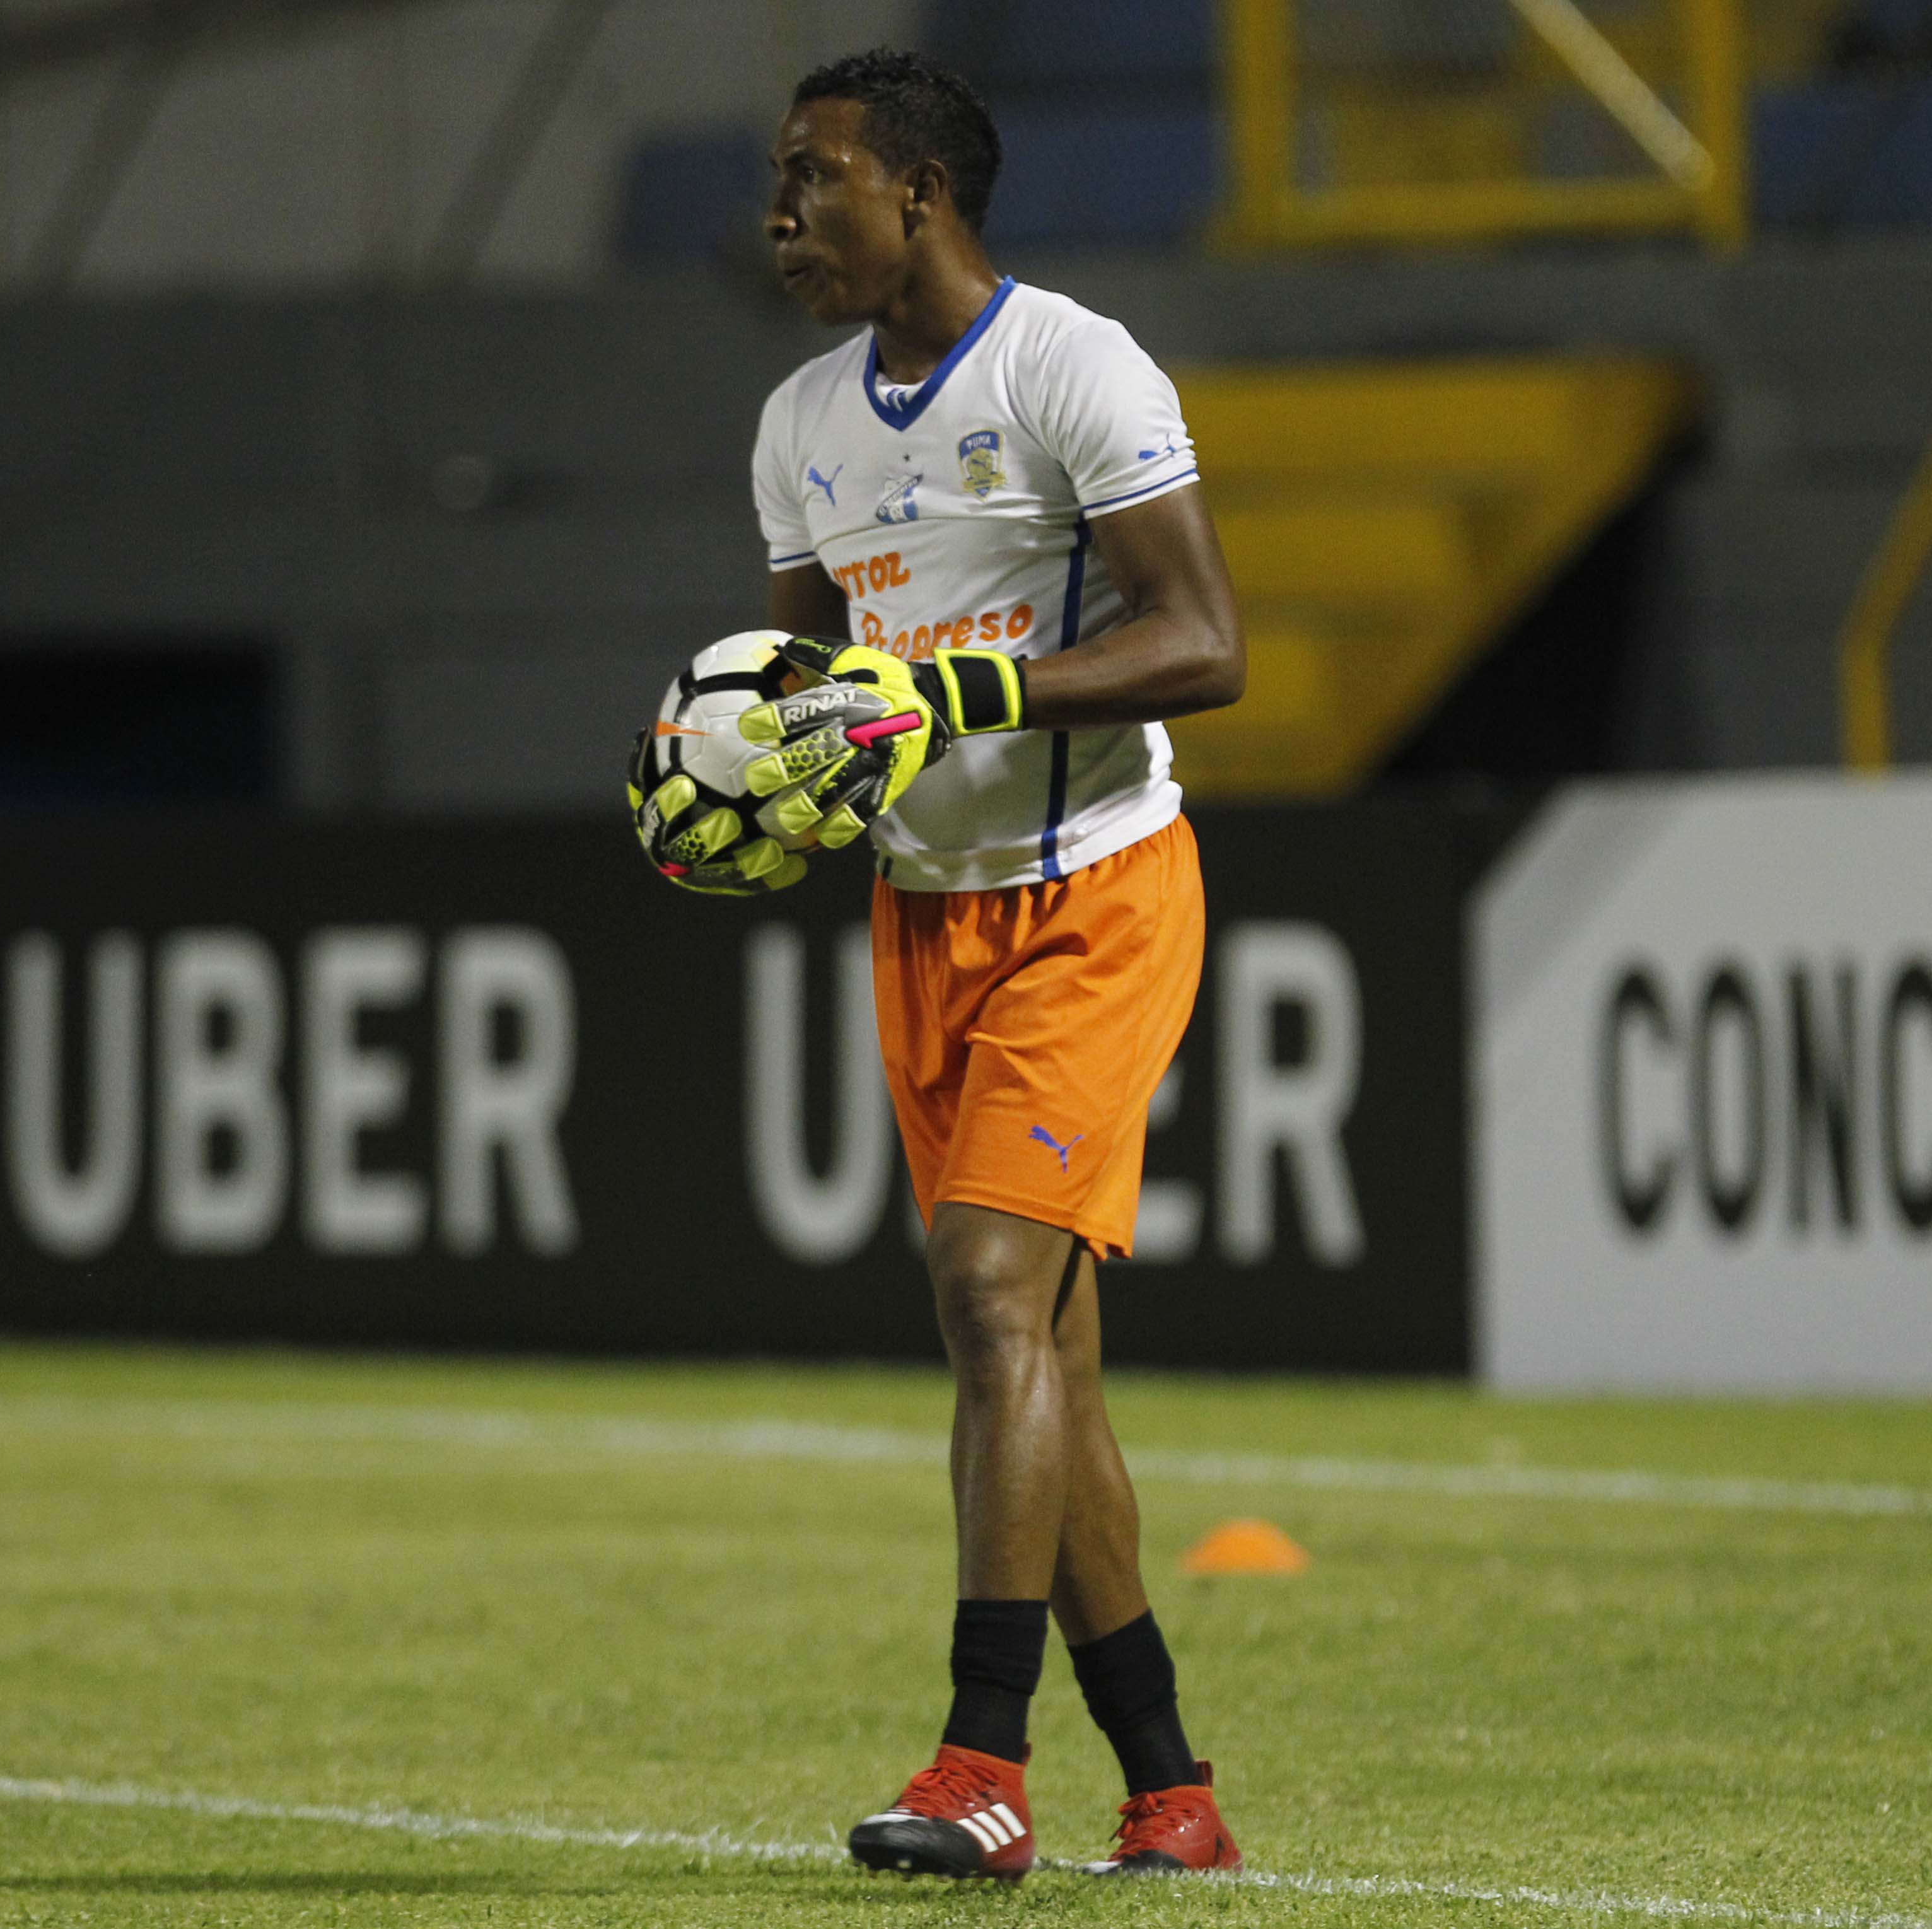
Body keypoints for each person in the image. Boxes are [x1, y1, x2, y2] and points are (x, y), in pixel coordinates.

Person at [742, 45, 1245, 1884]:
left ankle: (979, 1762)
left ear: (920, 198)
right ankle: (1172, 1796)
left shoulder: (1068, 368)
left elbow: (1204, 640)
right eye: (780, 179)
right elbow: (802, 694)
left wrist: (955, 685)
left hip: (1093, 884)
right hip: (922, 910)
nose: (782, 212)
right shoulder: (799, 421)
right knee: (1046, 1354)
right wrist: (728, 775)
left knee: (980, 1295)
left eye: (815, 177)